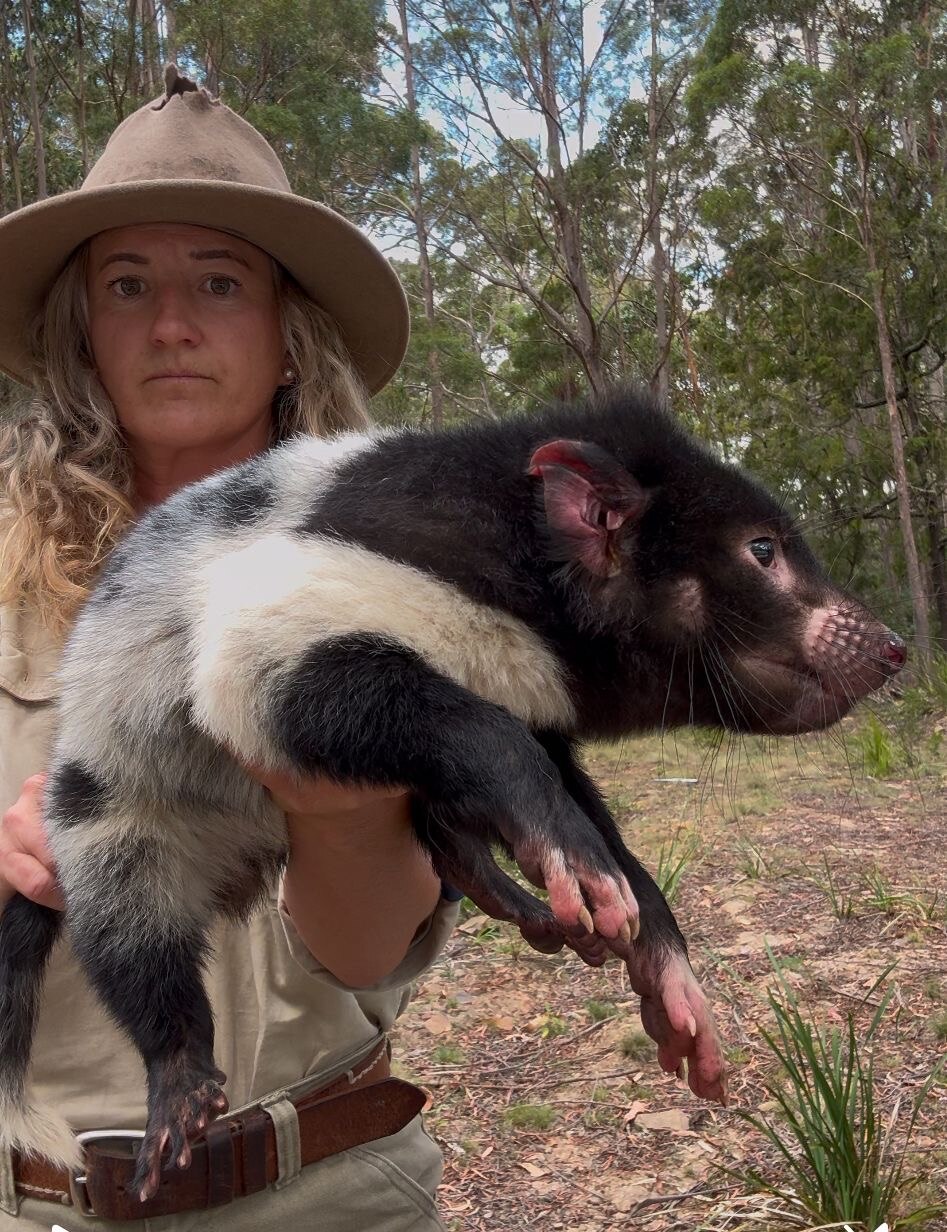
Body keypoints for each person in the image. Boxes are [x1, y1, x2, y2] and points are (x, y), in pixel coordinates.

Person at [0, 69, 459, 1230]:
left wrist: (340, 812)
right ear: (84, 330)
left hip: (334, 1189)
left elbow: (364, 952)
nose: (170, 324)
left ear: (289, 335)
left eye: (219, 282)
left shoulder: (387, 580)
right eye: (127, 284)